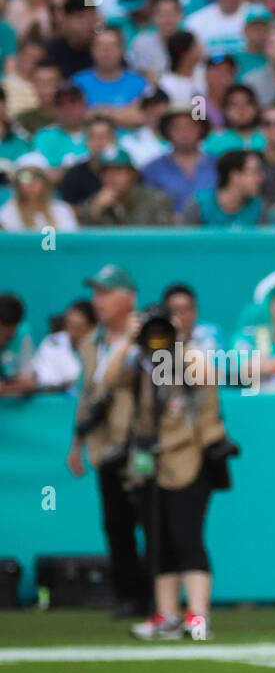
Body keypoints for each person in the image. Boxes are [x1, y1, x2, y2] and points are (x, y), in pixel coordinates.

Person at [128, 310, 232, 642]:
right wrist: (129, 341)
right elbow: (107, 379)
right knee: (159, 543)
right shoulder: (141, 364)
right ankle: (167, 615)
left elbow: (206, 380)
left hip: (189, 462)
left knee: (187, 539)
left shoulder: (190, 359)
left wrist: (178, 349)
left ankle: (198, 617)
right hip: (153, 466)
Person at [67, 265, 149, 618]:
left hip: (141, 442)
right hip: (106, 446)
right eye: (95, 293)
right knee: (116, 524)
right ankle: (128, 595)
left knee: (152, 519)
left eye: (105, 293)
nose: (96, 301)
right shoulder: (90, 341)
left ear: (128, 298)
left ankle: (157, 595)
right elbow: (88, 395)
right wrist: (76, 442)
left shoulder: (149, 335)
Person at [76, 147, 177, 227]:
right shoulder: (94, 203)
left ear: (132, 175)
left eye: (118, 171)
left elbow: (164, 239)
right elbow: (83, 245)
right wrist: (94, 212)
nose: (111, 177)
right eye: (106, 172)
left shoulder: (157, 200)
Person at [181, 149, 266, 226]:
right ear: (234, 175)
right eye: (255, 172)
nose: (261, 178)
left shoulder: (259, 208)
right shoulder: (198, 206)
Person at [0, 159, 78, 232]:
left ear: (45, 183)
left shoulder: (62, 210)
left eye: (37, 177)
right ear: (18, 184)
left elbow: (69, 242)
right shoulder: (8, 212)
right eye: (25, 178)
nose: (31, 184)